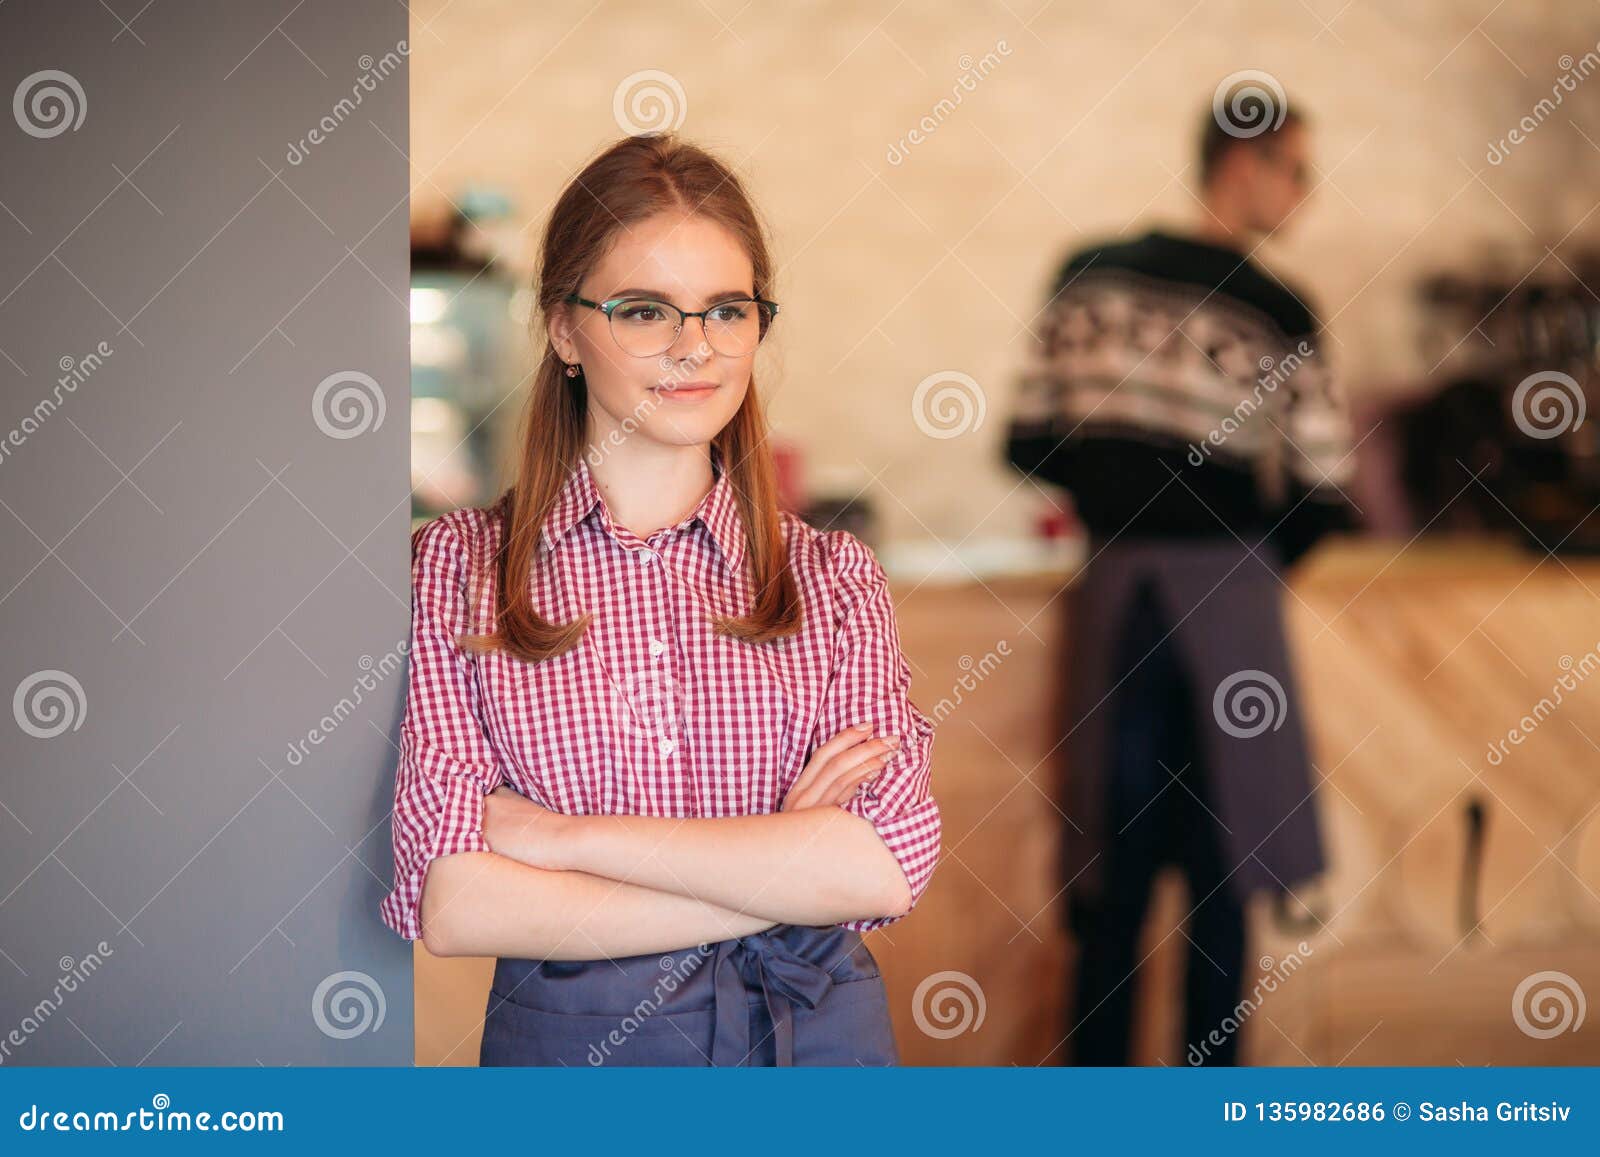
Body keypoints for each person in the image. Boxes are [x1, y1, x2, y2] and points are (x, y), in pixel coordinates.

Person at [379, 134, 941, 1067]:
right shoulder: (455, 569)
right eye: (646, 311)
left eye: (727, 309)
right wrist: (782, 865)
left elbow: (880, 862)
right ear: (564, 327)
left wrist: (557, 838)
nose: (696, 348)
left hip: (818, 1050)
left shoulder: (835, 576)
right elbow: (458, 901)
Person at [1004, 90, 1354, 1065]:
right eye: (1297, 170)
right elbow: (1327, 490)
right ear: (1243, 168)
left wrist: (1129, 504)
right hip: (1229, 607)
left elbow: (1030, 437)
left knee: (1105, 884)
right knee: (1227, 874)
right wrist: (1235, 552)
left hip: (1113, 596)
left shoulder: (1086, 278)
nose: (1304, 194)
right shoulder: (1278, 310)